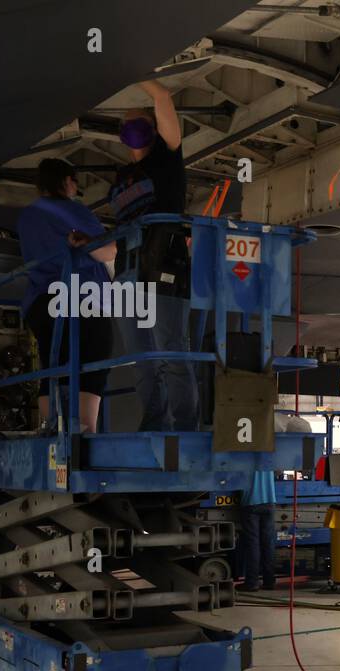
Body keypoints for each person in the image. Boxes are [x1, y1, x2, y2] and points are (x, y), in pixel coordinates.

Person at [108, 79, 198, 433]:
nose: (134, 127)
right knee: (141, 358)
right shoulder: (123, 176)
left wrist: (134, 71)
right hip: (128, 273)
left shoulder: (167, 158)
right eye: (128, 123)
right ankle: (155, 422)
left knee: (170, 352)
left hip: (162, 267)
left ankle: (185, 429)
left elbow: (163, 97)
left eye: (140, 121)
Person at [15, 158, 116, 433]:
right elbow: (107, 251)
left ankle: (52, 428)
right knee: (95, 360)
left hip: (40, 301)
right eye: (74, 182)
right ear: (65, 181)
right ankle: (84, 430)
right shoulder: (72, 210)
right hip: (81, 297)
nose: (75, 188)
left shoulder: (27, 216)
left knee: (53, 365)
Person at [238, 469, 277, 592]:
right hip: (270, 502)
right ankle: (269, 581)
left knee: (253, 544)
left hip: (251, 502)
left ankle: (252, 582)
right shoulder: (268, 455)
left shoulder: (244, 457)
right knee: (268, 544)